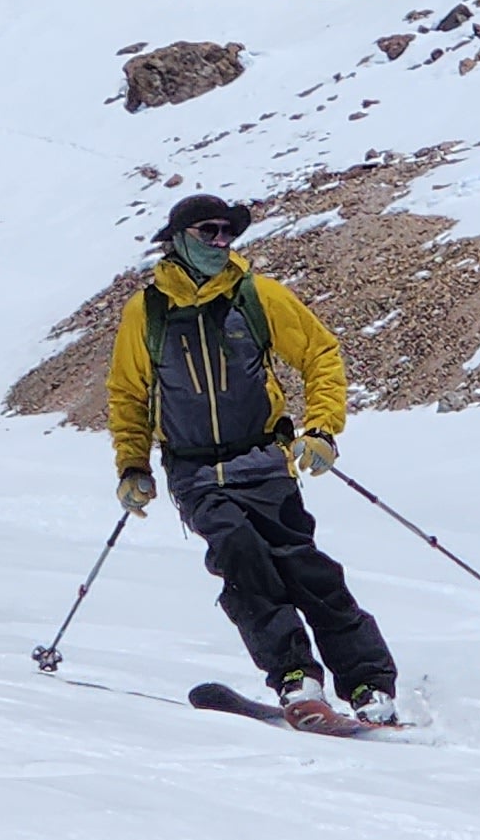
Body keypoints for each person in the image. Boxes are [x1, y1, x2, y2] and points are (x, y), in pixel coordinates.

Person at [105, 194, 402, 729]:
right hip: (195, 473)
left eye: (227, 233)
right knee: (241, 556)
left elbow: (320, 354)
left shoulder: (256, 296)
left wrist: (322, 430)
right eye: (209, 232)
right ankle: (295, 677)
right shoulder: (147, 311)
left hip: (264, 462)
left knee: (306, 570)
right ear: (177, 239)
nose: (221, 242)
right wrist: (133, 467)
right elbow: (129, 394)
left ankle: (369, 685)